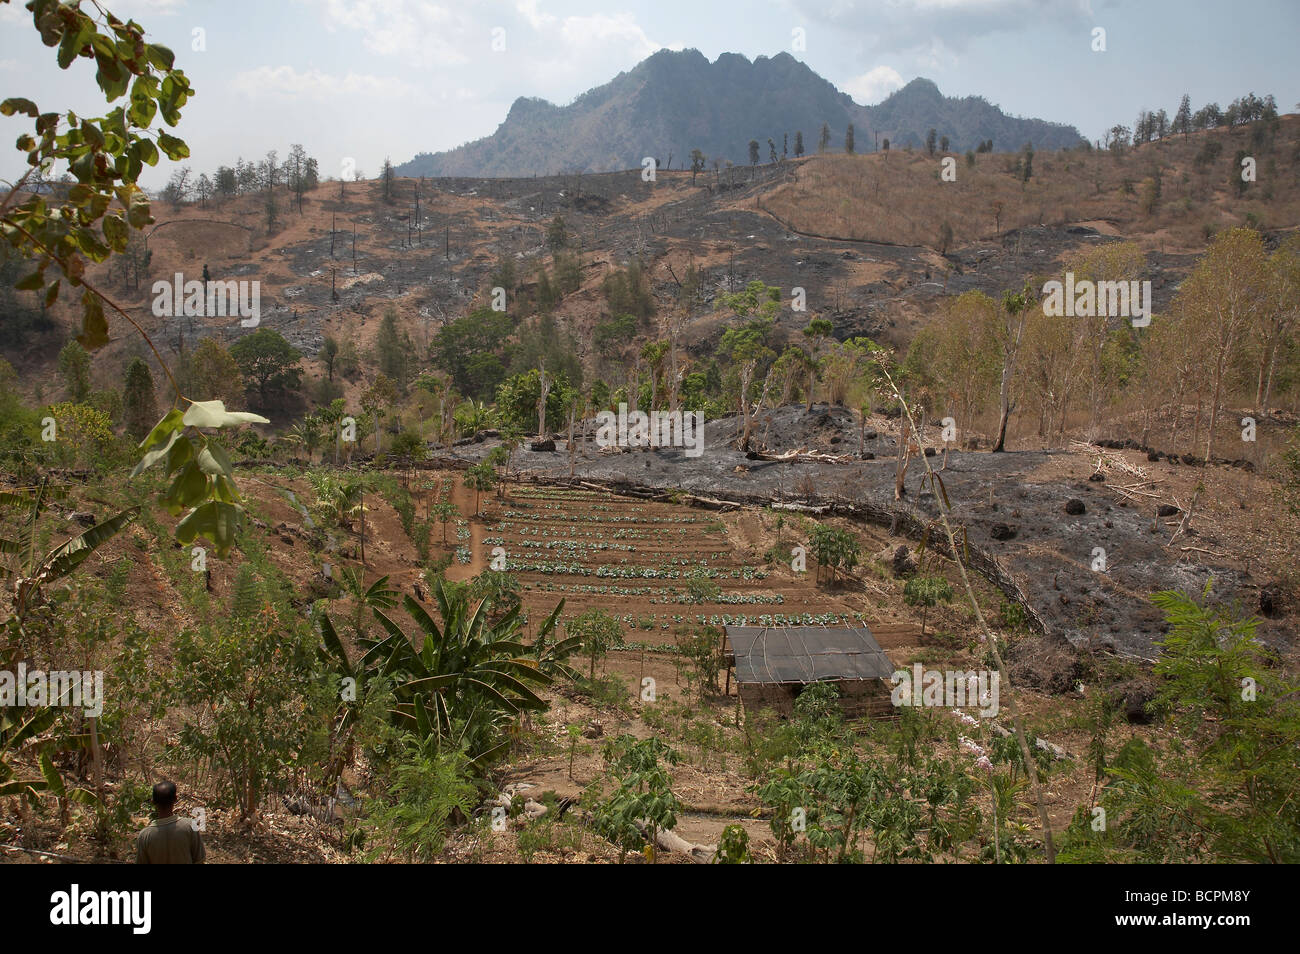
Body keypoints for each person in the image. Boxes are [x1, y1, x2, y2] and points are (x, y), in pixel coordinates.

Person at [135, 780, 205, 864]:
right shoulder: (190, 826)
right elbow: (199, 859)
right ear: (175, 799)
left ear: (153, 802)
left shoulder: (145, 835)